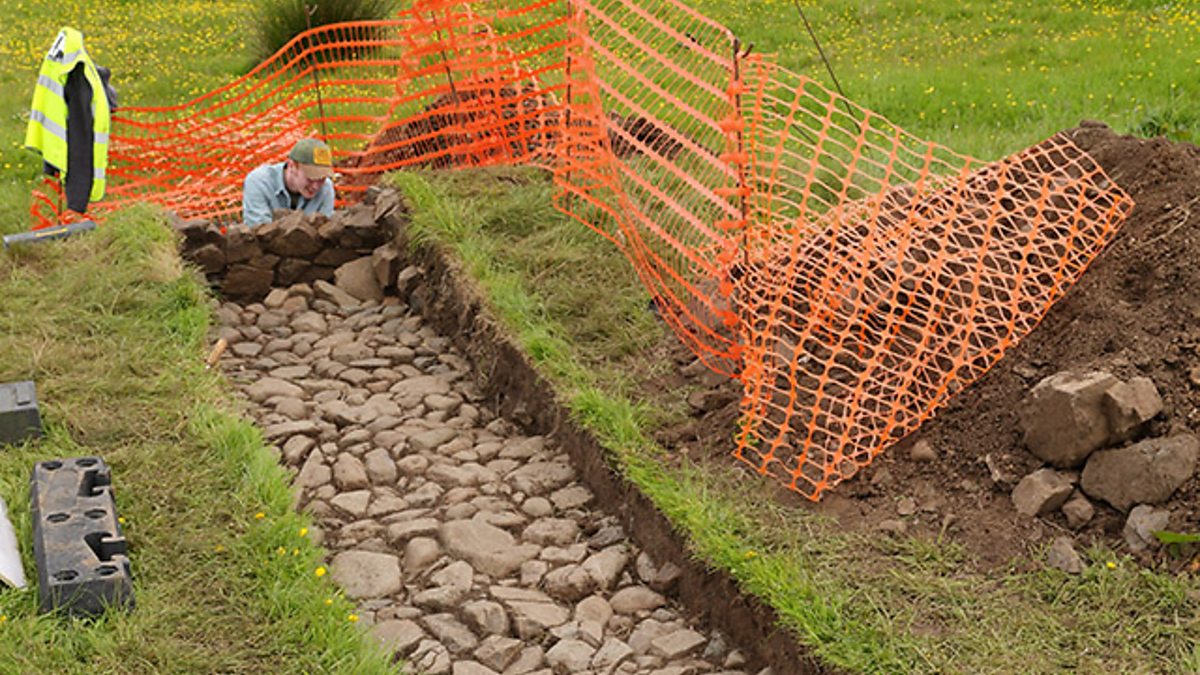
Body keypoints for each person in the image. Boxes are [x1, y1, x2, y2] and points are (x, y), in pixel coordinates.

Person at [241, 137, 336, 227]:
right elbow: (259, 232)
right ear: (292, 166)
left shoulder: (326, 189)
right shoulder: (259, 183)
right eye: (310, 178)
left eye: (321, 178)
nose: (315, 186)